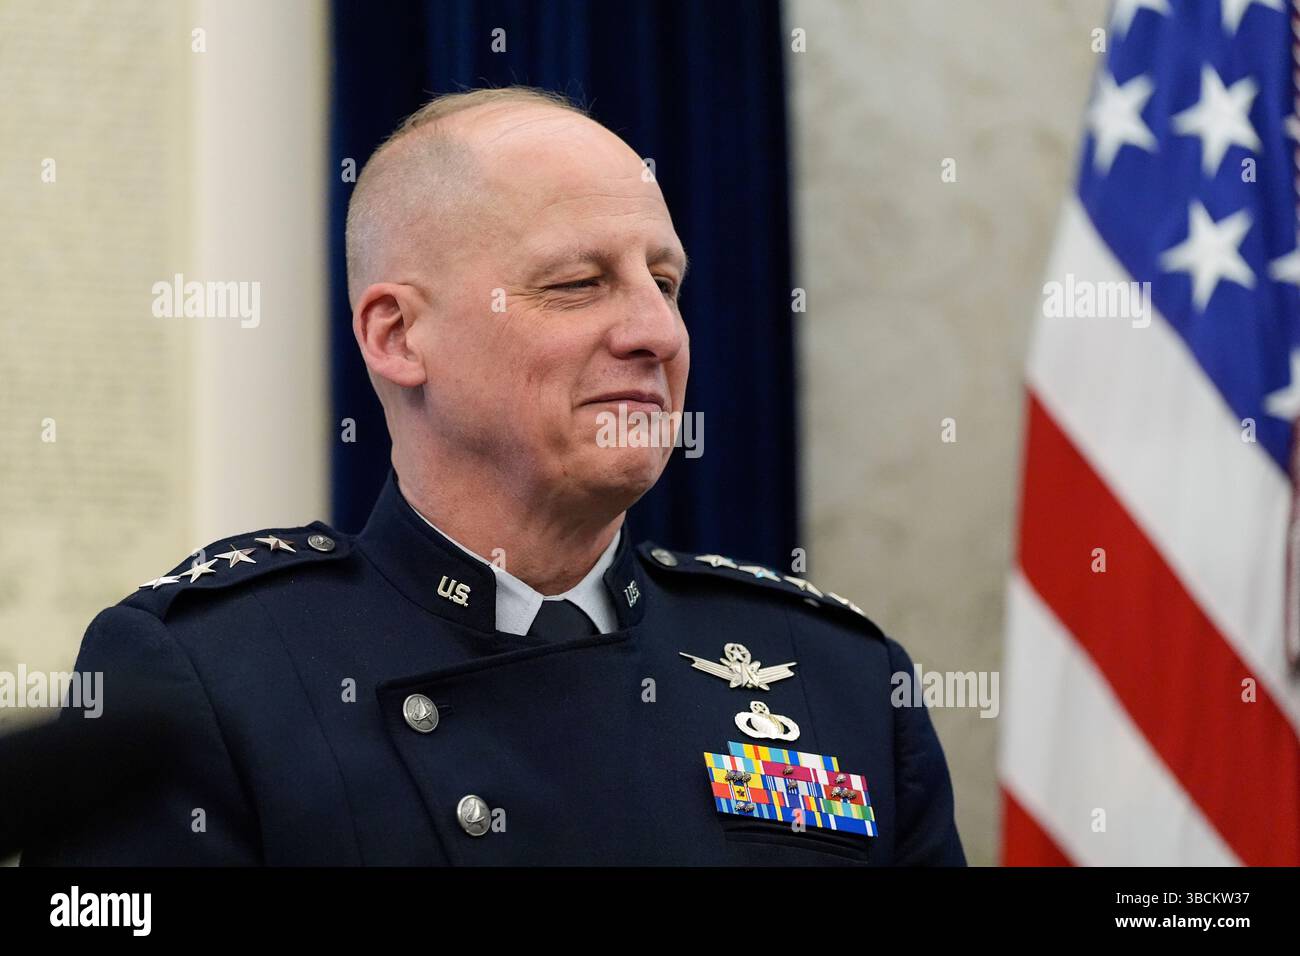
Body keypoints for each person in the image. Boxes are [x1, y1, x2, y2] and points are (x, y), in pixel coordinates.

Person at [18, 86, 965, 866]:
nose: (657, 332)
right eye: (577, 284)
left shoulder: (833, 677)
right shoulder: (216, 677)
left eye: (665, 282)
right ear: (398, 335)